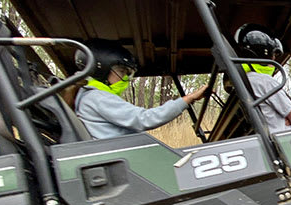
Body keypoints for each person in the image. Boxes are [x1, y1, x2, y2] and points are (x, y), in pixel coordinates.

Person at [73, 39, 208, 139]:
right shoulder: (97, 98)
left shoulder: (88, 97)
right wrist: (188, 99)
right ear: (101, 70)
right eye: (121, 71)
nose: (124, 78)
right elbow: (144, 119)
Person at [235, 24, 291, 133]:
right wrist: (286, 120)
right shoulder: (265, 82)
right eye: (273, 55)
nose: (274, 60)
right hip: (282, 140)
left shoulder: (243, 81)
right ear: (264, 56)